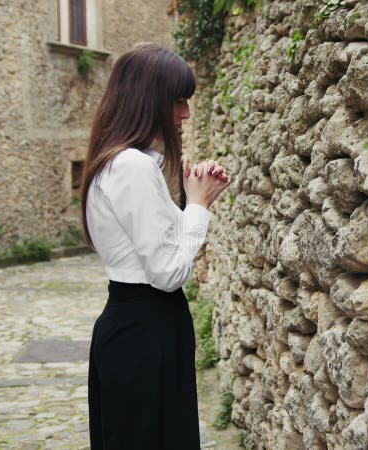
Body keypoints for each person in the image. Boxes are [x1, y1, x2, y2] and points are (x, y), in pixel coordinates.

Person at [78, 42, 231, 449]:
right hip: (145, 334)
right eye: (178, 101)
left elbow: (155, 247)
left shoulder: (117, 160)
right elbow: (167, 273)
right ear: (149, 100)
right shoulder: (131, 166)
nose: (185, 113)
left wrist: (197, 197)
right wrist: (197, 208)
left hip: (139, 330)